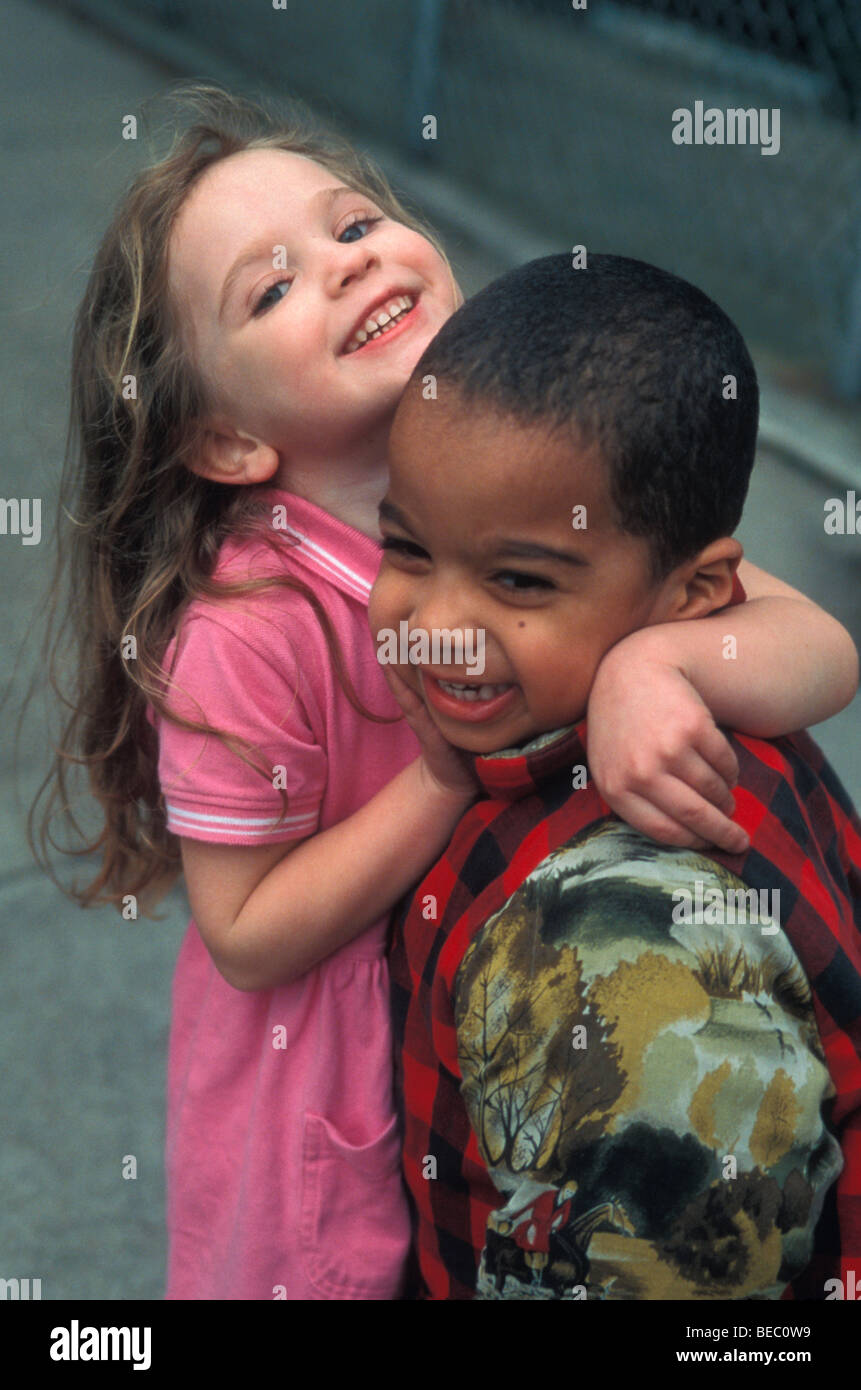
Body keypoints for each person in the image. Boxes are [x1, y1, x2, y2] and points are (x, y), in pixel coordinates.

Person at [33, 86, 856, 1301]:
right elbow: (246, 934)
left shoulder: (552, 454)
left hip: (506, 1002)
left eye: (354, 227)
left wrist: (659, 661)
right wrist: (436, 780)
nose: (346, 270)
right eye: (270, 288)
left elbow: (819, 642)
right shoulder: (249, 629)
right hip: (328, 1076)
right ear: (225, 442)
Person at [370, 253, 861, 1300]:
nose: (439, 628)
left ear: (695, 591)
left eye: (517, 580)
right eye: (406, 547)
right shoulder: (706, 682)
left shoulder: (623, 948)